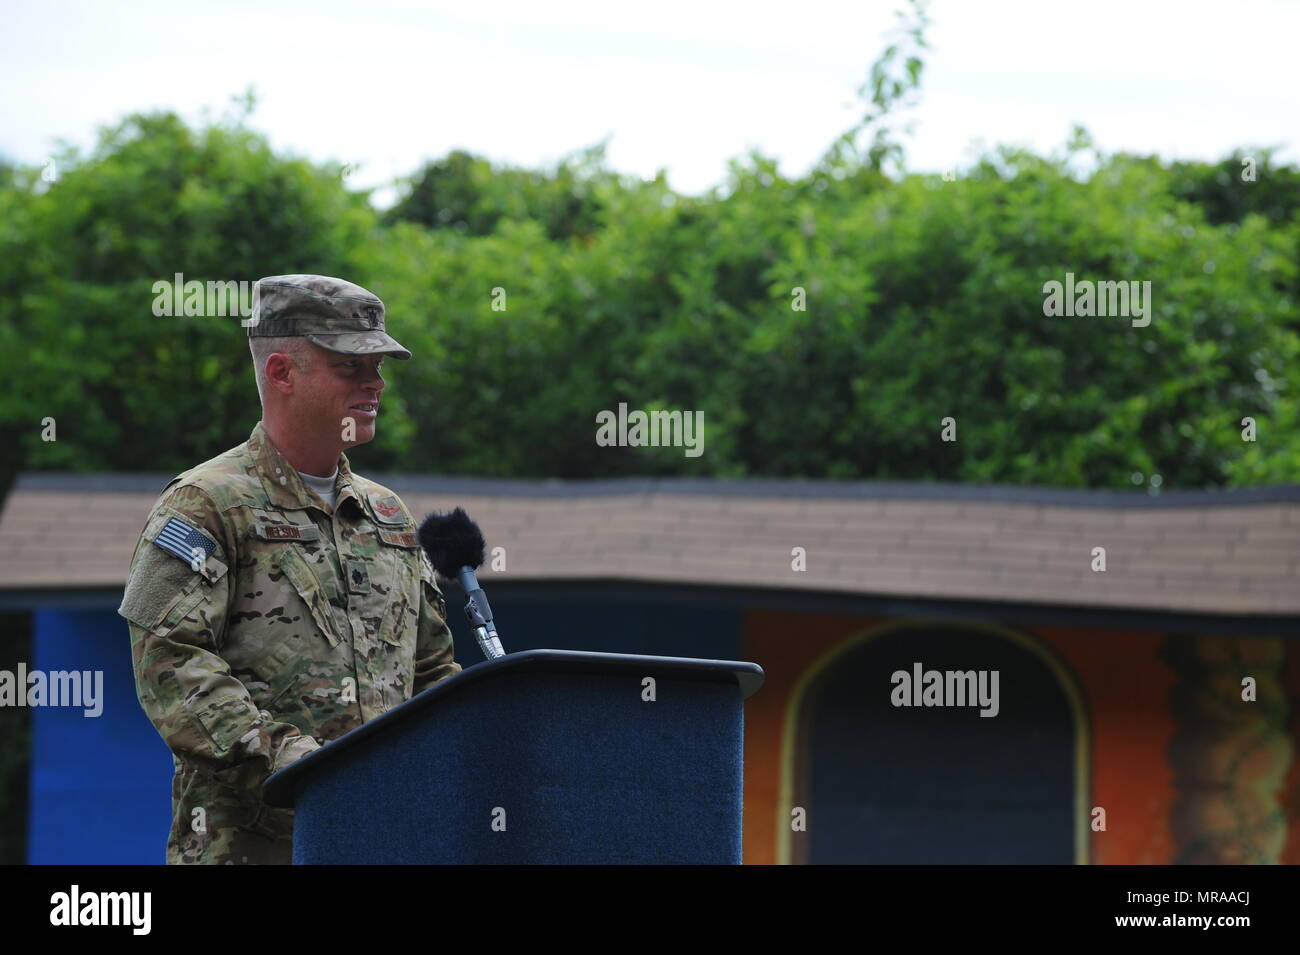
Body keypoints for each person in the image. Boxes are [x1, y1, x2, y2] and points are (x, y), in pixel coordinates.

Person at [118, 274, 461, 864]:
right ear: (282, 372)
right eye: (351, 367)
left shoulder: (388, 515)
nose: (375, 383)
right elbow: (170, 665)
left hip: (387, 845)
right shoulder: (206, 503)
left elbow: (431, 670)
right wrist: (298, 766)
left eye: (379, 367)